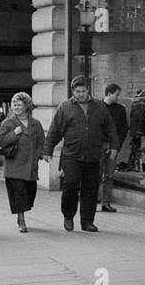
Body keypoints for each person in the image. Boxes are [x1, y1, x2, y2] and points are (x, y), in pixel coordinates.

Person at [42, 76, 118, 233]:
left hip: (93, 154)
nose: (81, 94)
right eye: (77, 91)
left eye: (83, 91)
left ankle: (87, 221)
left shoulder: (99, 107)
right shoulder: (65, 107)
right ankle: (68, 216)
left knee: (91, 188)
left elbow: (110, 127)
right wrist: (47, 150)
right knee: (71, 184)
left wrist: (114, 146)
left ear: (88, 90)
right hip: (71, 155)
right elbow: (55, 130)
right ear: (72, 91)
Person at [0, 92, 44, 232]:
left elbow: (41, 141)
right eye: (14, 105)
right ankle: (21, 220)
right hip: (14, 165)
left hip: (30, 165)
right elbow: (1, 141)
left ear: (26, 106)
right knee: (19, 194)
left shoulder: (36, 124)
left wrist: (39, 155)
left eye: (19, 105)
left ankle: (22, 212)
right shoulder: (8, 122)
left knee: (30, 193)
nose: (15, 107)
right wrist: (14, 134)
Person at [100, 83, 129, 213]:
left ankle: (106, 203)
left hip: (113, 146)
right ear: (109, 93)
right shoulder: (97, 107)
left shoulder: (120, 109)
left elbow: (123, 129)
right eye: (116, 94)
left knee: (110, 175)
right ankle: (93, 201)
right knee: (95, 174)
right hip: (99, 146)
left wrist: (116, 146)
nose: (118, 97)